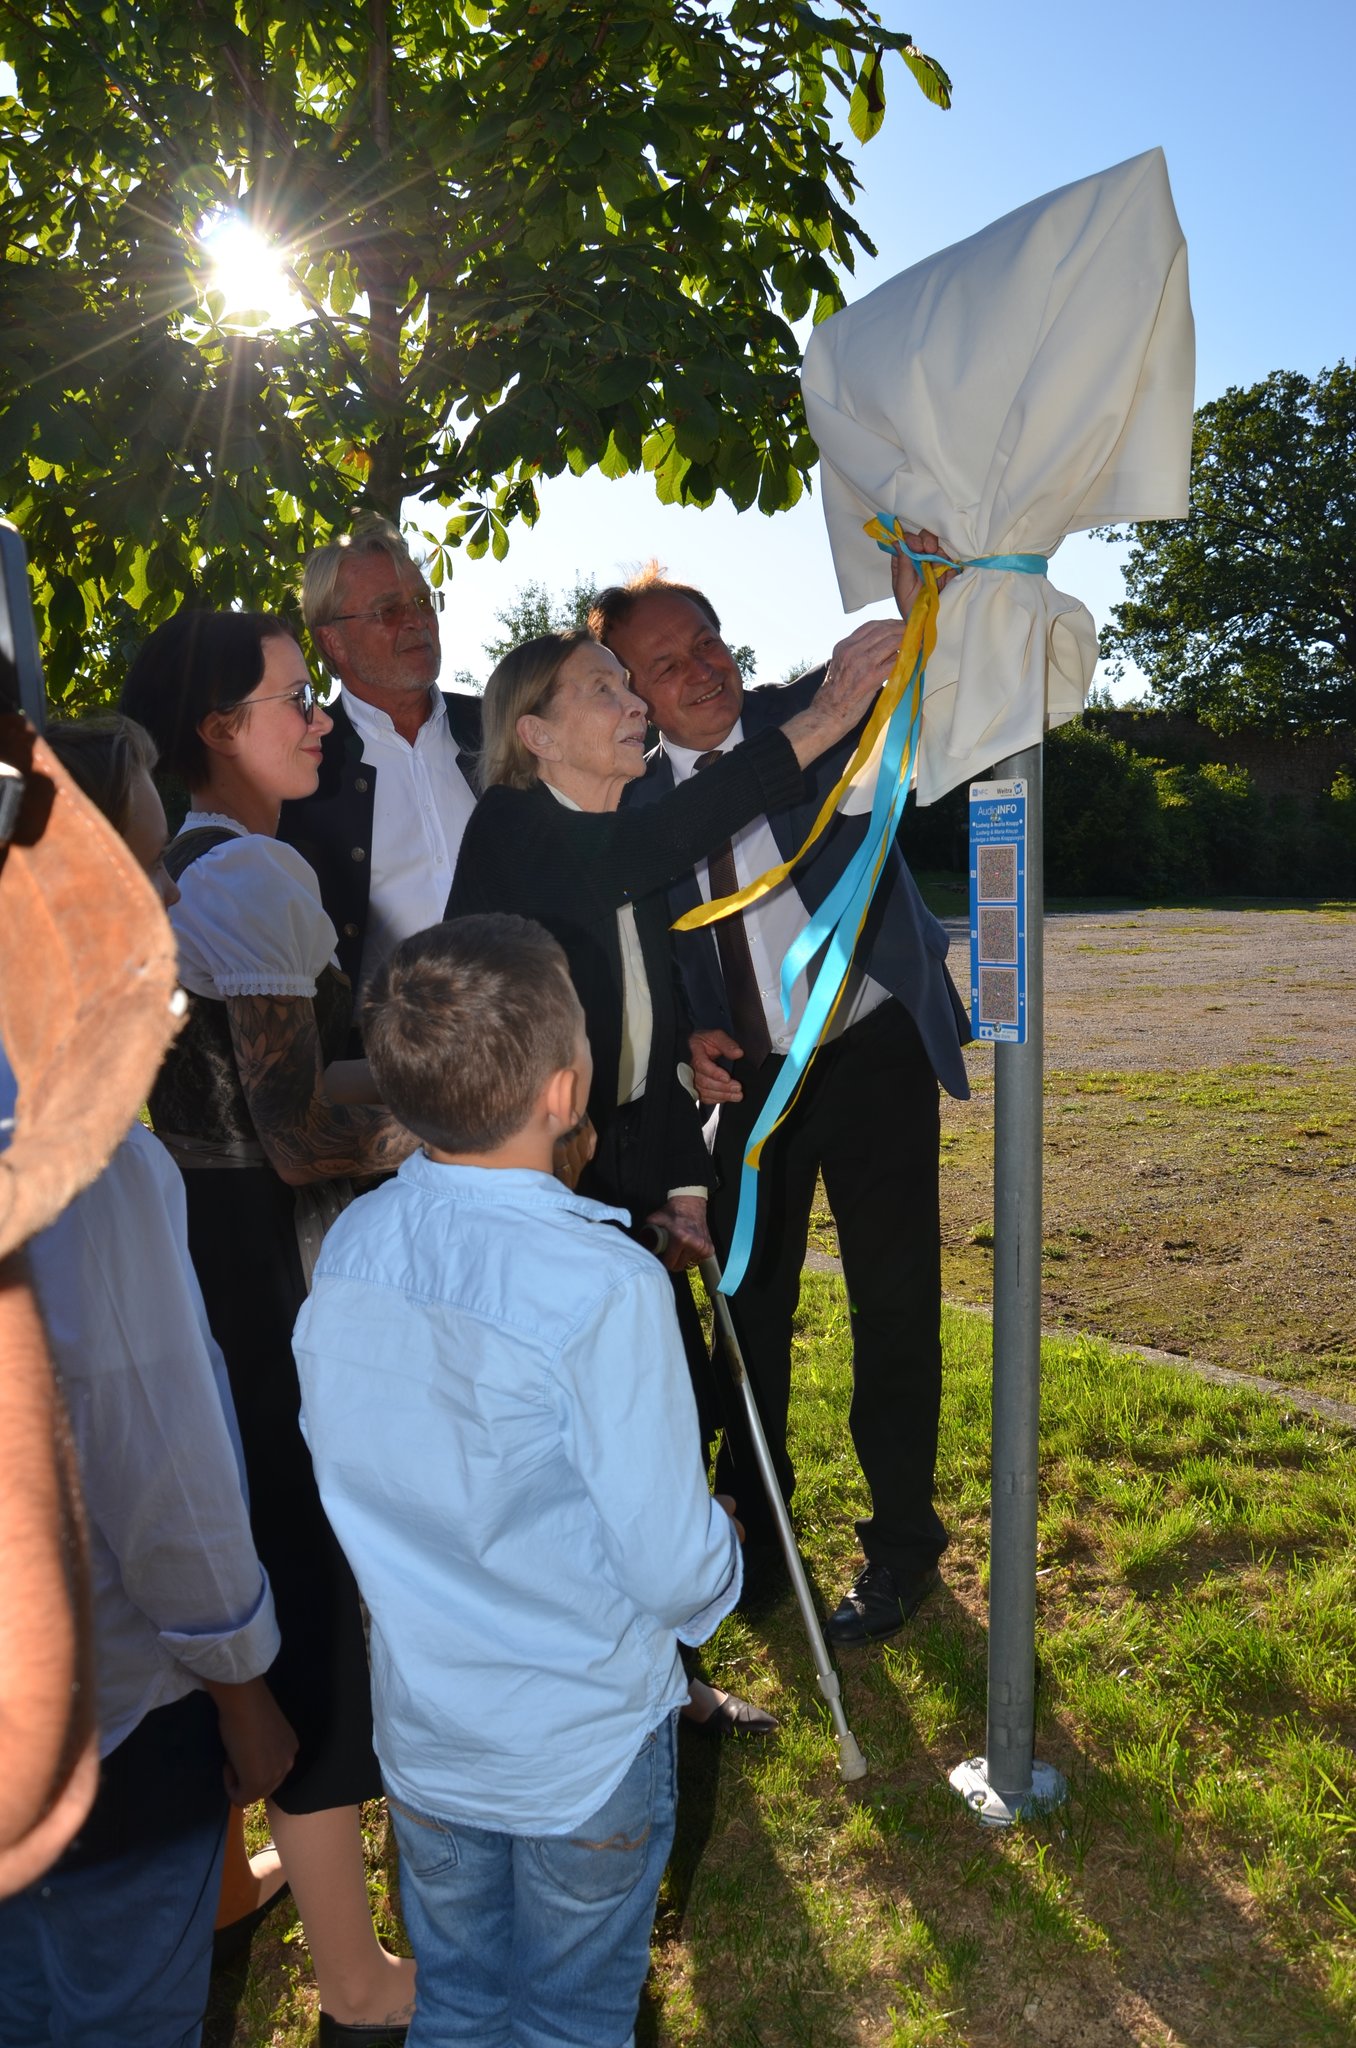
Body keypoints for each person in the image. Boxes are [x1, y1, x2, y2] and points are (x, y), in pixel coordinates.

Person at [293, 913, 746, 2047]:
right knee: (570, 2019)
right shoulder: (603, 1284)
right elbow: (665, 1553)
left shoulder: (350, 1248)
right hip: (581, 1743)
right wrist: (721, 1547)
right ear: (565, 1087)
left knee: (458, 2001)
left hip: (432, 1735)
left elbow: (351, 1457)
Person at [446, 619, 904, 1719]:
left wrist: (684, 1190)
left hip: (620, 1177)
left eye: (626, 684)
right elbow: (680, 832)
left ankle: (665, 1671)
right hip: (532, 1197)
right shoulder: (518, 830)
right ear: (537, 733)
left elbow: (649, 1043)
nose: (634, 702)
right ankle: (589, 1675)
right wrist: (827, 717)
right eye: (605, 687)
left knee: (672, 1404)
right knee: (579, 1440)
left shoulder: (618, 829)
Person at [121, 613, 419, 2046]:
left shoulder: (161, 860)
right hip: (256, 1277)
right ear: (213, 730)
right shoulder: (250, 870)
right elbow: (298, 1132)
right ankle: (360, 1983)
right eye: (294, 703)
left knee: (216, 1565)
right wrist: (458, 1122)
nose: (321, 723)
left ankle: (244, 1880)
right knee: (302, 1590)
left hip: (181, 1255)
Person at [594, 542, 972, 1646]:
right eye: (666, 662)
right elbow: (648, 959)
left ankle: (902, 1544)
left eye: (708, 638)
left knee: (894, 1304)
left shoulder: (815, 713)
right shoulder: (626, 804)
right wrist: (684, 1042)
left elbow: (913, 661)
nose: (703, 666)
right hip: (748, 1093)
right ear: (628, 690)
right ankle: (756, 1537)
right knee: (747, 1314)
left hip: (872, 1057)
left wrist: (923, 594)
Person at [0, 715, 296, 2046]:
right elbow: (160, 1467)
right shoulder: (88, 1165)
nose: (173, 898)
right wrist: (242, 1691)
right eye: (147, 867)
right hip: (102, 1730)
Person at [278, 517, 482, 1015]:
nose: (416, 621)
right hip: (383, 1077)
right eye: (388, 610)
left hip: (533, 1051)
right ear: (333, 643)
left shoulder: (498, 727)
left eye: (421, 601)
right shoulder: (303, 771)